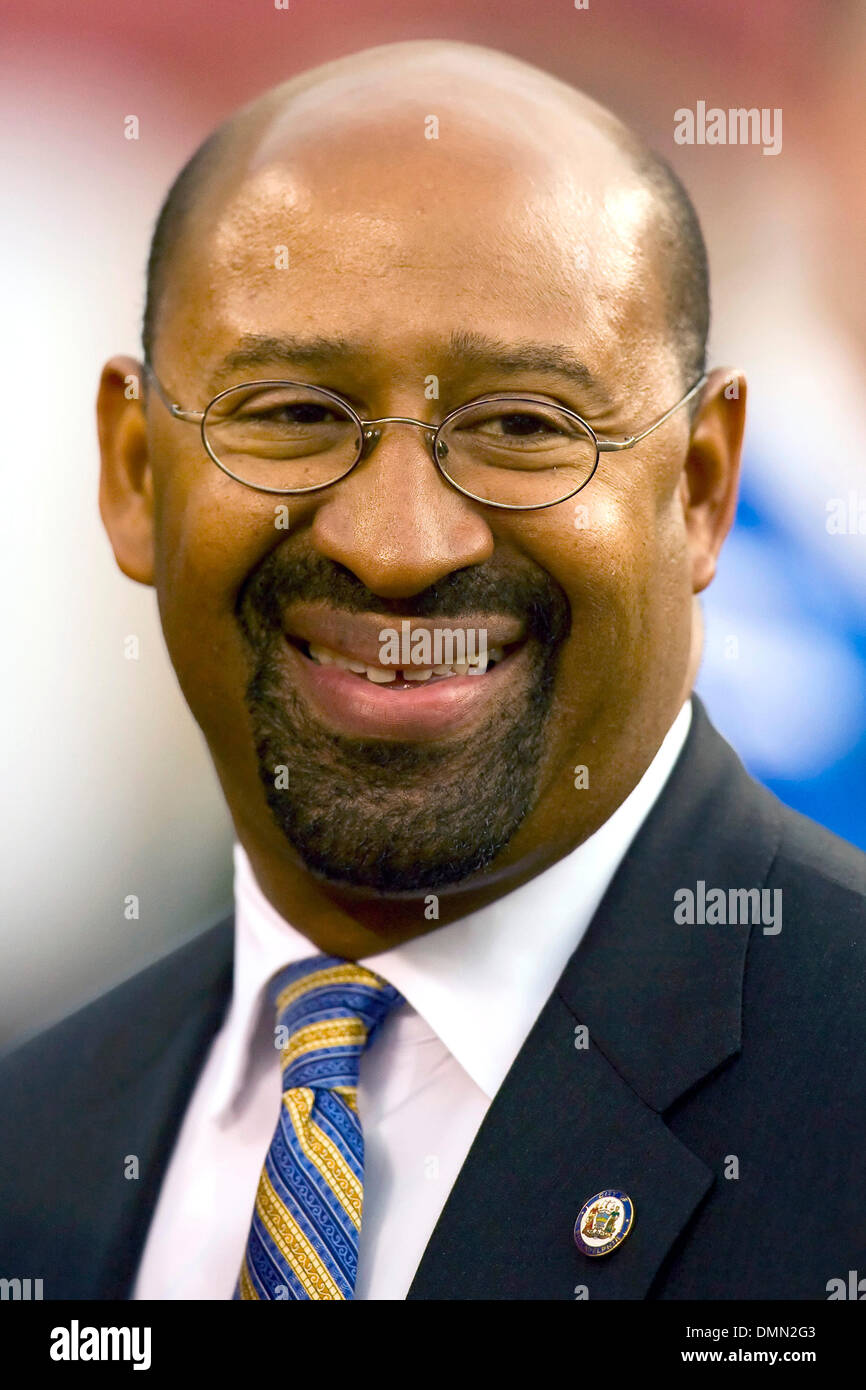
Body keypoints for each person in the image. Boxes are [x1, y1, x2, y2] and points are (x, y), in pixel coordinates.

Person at [1, 39, 863, 1302]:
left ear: (698, 489)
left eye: (522, 426)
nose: (398, 547)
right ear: (134, 471)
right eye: (292, 413)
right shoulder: (35, 1143)